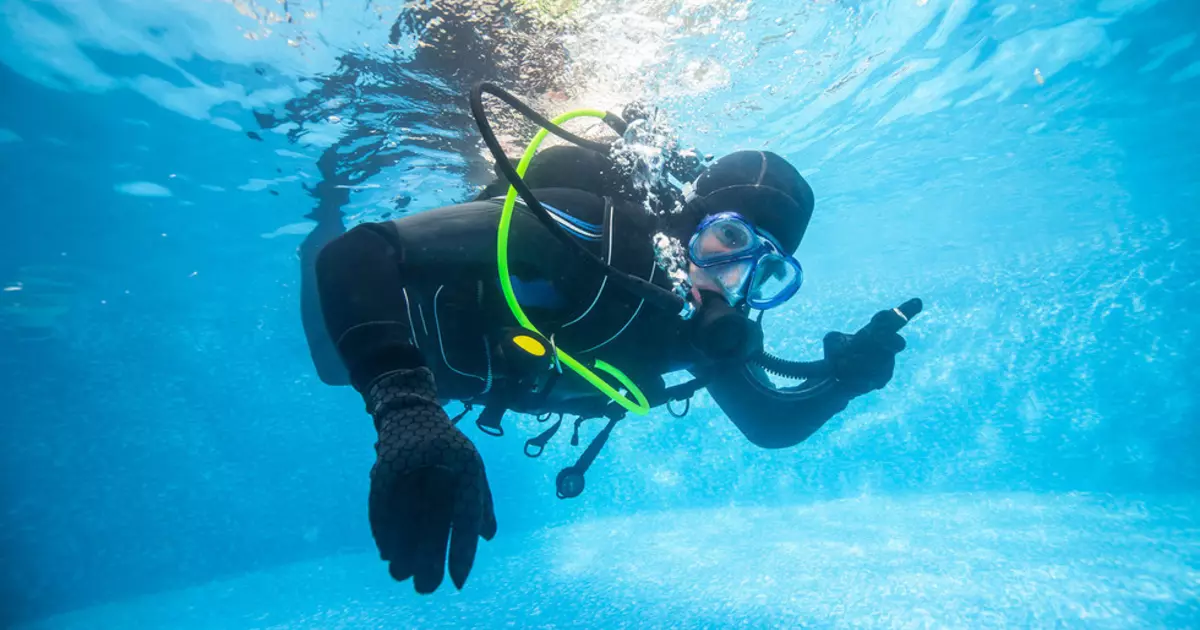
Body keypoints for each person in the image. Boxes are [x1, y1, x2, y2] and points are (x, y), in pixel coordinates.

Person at [304, 87, 921, 595]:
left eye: (767, 272)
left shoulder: (709, 331)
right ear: (686, 223)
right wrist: (405, 406)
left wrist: (847, 382)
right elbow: (359, 255)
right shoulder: (584, 229)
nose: (732, 281)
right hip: (396, 326)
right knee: (332, 359)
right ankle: (322, 200)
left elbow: (770, 425)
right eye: (728, 240)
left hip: (474, 380)